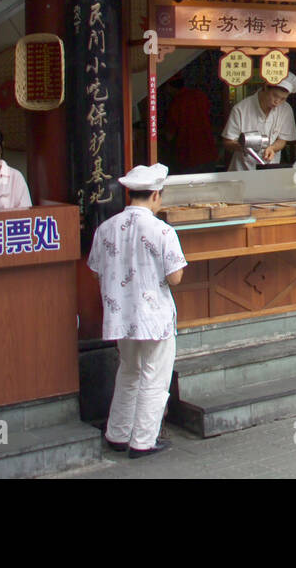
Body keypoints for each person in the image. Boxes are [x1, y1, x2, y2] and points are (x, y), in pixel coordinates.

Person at [88, 163, 188, 459]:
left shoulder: (106, 228)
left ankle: (117, 433)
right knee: (154, 377)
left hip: (122, 315)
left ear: (131, 193)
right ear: (156, 194)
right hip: (154, 317)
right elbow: (175, 277)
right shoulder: (162, 230)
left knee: (129, 372)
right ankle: (143, 440)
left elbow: (95, 270)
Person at [221, 73, 296, 171]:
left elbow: (282, 140)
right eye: (275, 95)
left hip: (269, 169)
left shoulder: (286, 109)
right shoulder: (241, 109)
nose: (277, 101)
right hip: (242, 169)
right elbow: (227, 141)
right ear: (266, 87)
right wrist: (245, 147)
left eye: (283, 99)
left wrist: (272, 148)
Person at [161, 70, 218, 174]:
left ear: (169, 86)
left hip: (189, 155)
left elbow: (169, 135)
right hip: (208, 151)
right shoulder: (200, 95)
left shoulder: (176, 103)